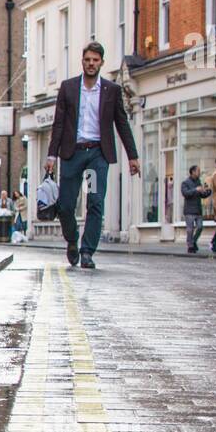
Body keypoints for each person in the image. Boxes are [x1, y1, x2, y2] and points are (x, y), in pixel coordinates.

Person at [45, 42, 140, 269]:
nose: (91, 64)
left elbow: (122, 124)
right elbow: (58, 125)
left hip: (97, 154)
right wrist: (51, 156)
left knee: (95, 201)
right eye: (88, 59)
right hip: (72, 154)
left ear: (101, 63)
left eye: (95, 60)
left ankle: (87, 251)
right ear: (82, 61)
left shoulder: (111, 90)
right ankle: (71, 240)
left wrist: (132, 156)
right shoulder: (68, 88)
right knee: (67, 205)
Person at [180, 165, 211, 253]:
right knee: (190, 230)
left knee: (200, 227)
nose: (199, 172)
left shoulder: (199, 182)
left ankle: (193, 241)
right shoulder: (185, 182)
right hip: (189, 210)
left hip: (198, 209)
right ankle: (190, 246)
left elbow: (202, 195)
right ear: (193, 172)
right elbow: (185, 193)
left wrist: (207, 192)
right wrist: (195, 190)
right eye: (198, 171)